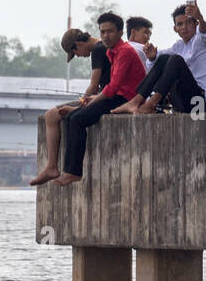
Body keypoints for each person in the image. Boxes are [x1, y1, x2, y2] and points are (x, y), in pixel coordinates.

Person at [54, 12, 146, 186]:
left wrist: (95, 99)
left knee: (78, 119)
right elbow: (112, 87)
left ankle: (73, 172)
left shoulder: (124, 51)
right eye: (102, 32)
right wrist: (95, 98)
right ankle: (69, 170)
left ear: (120, 32)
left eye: (110, 31)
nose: (105, 36)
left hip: (126, 98)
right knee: (71, 118)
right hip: (118, 96)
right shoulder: (112, 52)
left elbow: (113, 87)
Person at [29, 26, 110, 185]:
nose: (79, 56)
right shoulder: (100, 48)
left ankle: (56, 167)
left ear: (78, 44)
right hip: (98, 97)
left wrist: (82, 102)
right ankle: (52, 167)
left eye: (75, 53)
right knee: (51, 115)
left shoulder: (99, 50)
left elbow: (93, 86)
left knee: (58, 115)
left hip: (101, 98)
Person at [112, 0, 206, 115]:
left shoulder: (202, 41)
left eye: (188, 22)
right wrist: (152, 57)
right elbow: (156, 63)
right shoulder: (178, 46)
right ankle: (136, 101)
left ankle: (151, 104)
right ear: (175, 29)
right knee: (164, 58)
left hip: (203, 103)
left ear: (196, 24)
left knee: (176, 60)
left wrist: (199, 17)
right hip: (184, 102)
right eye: (180, 24)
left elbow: (204, 30)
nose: (184, 27)